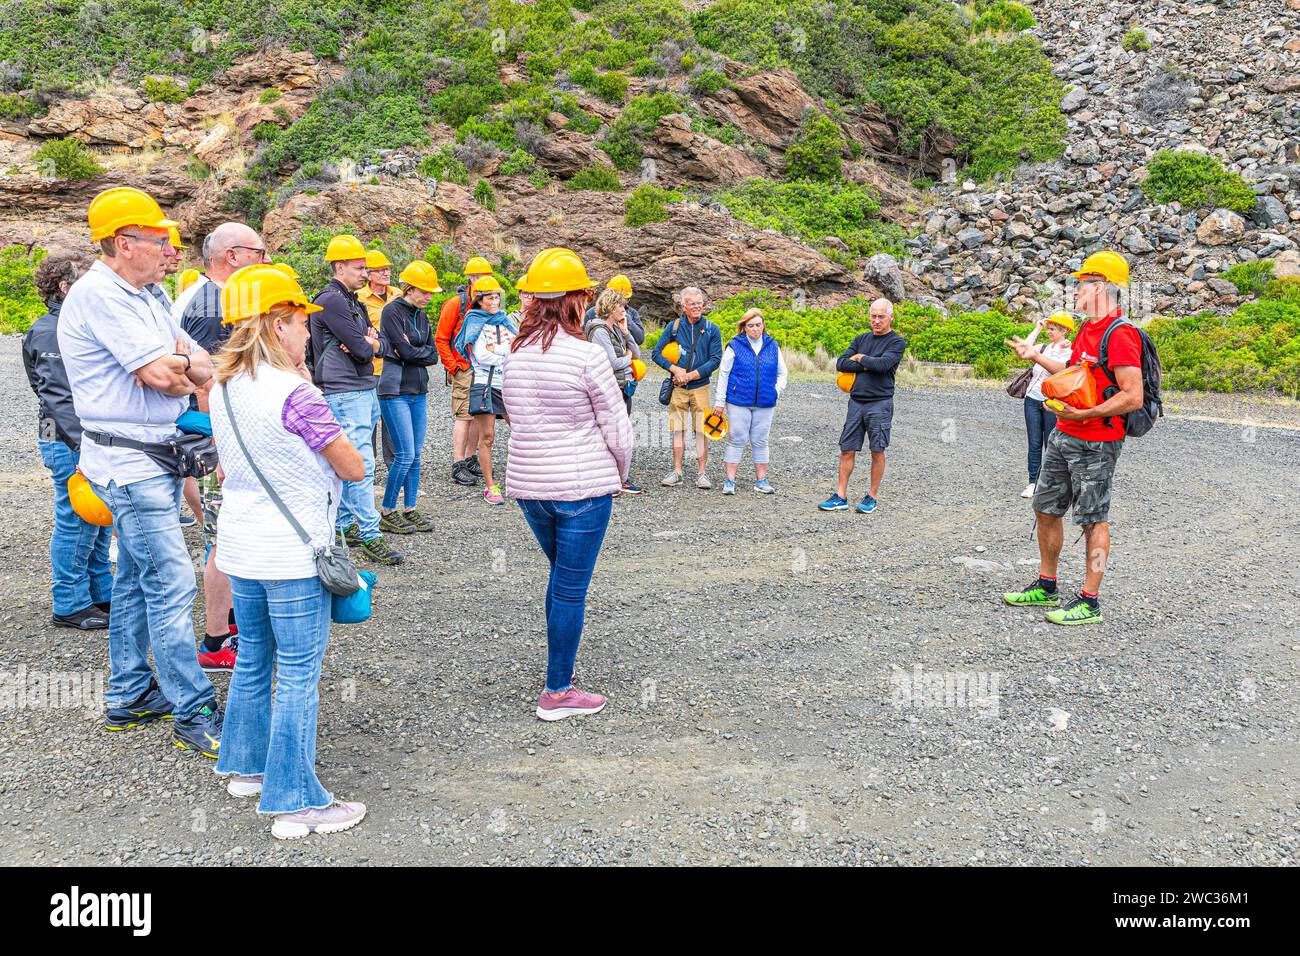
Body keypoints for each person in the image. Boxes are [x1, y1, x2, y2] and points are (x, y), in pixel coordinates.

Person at [58, 186, 222, 754]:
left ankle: (129, 693)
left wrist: (179, 368)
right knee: (170, 581)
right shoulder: (101, 295)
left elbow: (193, 365)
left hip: (145, 455)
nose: (167, 249)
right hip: (128, 463)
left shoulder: (146, 294)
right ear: (125, 244)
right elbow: (163, 376)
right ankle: (192, 707)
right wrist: (177, 369)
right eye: (157, 240)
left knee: (134, 576)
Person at [208, 263, 368, 840]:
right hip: (295, 550)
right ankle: (296, 798)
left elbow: (227, 466)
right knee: (300, 673)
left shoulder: (221, 387)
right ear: (279, 324)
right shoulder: (294, 392)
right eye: (304, 323)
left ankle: (246, 767)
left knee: (253, 657)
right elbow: (351, 465)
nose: (310, 333)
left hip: (243, 545)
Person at [502, 248, 631, 721]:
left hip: (531, 488)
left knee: (561, 579)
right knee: (571, 587)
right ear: (576, 299)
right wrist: (619, 473)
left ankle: (562, 672)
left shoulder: (513, 355)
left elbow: (514, 417)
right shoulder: (587, 356)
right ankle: (557, 690)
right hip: (581, 490)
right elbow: (618, 428)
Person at [1003, 250, 1144, 626]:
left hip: (1097, 440)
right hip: (1064, 433)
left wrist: (1085, 414)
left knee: (1093, 519)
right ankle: (1046, 585)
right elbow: (1072, 372)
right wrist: (1035, 355)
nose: (1076, 291)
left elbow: (1133, 395)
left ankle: (1089, 602)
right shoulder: (1085, 329)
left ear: (1099, 287)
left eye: (1081, 284)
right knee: (1046, 508)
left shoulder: (1121, 334)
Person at [22, 253, 112, 630]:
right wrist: (84, 447)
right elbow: (57, 396)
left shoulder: (72, 326)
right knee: (76, 518)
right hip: (68, 439)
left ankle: (100, 593)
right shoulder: (49, 331)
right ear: (64, 288)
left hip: (80, 437)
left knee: (99, 514)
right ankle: (70, 603)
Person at [309, 234, 402, 566]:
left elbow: (380, 344)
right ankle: (370, 534)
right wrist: (368, 343)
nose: (366, 273)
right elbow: (365, 348)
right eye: (360, 268)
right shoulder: (333, 301)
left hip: (360, 388)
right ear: (340, 267)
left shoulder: (352, 301)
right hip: (345, 390)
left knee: (357, 460)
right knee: (361, 463)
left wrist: (370, 343)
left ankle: (347, 525)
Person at [820, 298, 907, 514]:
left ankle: (872, 497)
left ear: (891, 317)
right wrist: (868, 362)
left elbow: (884, 364)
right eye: (873, 316)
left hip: (880, 403)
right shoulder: (861, 339)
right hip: (856, 403)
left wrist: (861, 360)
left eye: (881, 316)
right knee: (846, 448)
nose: (876, 321)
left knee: (877, 450)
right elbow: (841, 363)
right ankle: (840, 496)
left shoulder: (896, 342)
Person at [377, 260, 442, 534]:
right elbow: (405, 351)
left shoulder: (422, 315)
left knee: (415, 454)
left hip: (419, 389)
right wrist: (414, 351)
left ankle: (410, 508)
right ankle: (388, 510)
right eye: (425, 292)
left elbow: (432, 353)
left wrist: (413, 351)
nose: (429, 297)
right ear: (411, 288)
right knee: (403, 454)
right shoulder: (391, 311)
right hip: (394, 389)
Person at [651, 286, 722, 489]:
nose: (697, 307)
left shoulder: (712, 329)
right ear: (683, 306)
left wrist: (689, 375)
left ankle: (702, 474)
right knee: (678, 430)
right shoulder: (673, 327)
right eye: (693, 304)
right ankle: (677, 471)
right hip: (678, 389)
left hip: (700, 387)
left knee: (701, 430)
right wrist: (675, 370)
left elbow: (715, 360)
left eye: (700, 303)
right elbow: (656, 354)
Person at [453, 276, 516, 505]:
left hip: (506, 384)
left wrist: (497, 349)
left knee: (521, 430)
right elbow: (481, 355)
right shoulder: (474, 321)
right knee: (487, 437)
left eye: (497, 295)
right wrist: (504, 352)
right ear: (479, 300)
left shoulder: (504, 322)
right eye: (489, 296)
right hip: (485, 384)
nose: (495, 300)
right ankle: (491, 486)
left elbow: (515, 348)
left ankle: (523, 478)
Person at [711, 308, 788, 495]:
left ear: (763, 326)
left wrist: (775, 392)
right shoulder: (735, 345)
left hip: (765, 402)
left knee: (761, 440)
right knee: (737, 439)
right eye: (751, 325)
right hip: (738, 401)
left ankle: (761, 480)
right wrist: (720, 402)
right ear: (744, 327)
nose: (755, 329)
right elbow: (724, 374)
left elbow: (782, 373)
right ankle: (730, 481)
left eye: (758, 325)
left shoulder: (772, 345)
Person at [435, 256, 495, 485]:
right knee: (463, 416)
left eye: (488, 277)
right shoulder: (455, 304)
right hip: (465, 368)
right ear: (470, 278)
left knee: (478, 416)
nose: (484, 281)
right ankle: (458, 463)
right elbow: (441, 338)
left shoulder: (489, 304)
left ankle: (471, 459)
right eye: (480, 277)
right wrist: (454, 367)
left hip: (483, 369)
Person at [586, 288, 642, 495]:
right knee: (612, 434)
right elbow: (612, 362)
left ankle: (616, 478)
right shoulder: (599, 331)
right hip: (611, 388)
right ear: (610, 307)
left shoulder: (615, 329)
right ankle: (612, 480)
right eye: (621, 306)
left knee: (619, 433)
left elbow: (637, 351)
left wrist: (626, 332)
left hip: (622, 387)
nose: (624, 310)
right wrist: (628, 358)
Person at [181, 222, 269, 354]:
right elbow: (211, 372)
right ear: (232, 256)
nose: (267, 260)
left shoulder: (219, 299)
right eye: (260, 252)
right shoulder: (215, 311)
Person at [1018, 311, 1075, 499]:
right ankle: (1033, 482)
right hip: (1032, 400)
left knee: (1051, 443)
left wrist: (1055, 351)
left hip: (1053, 403)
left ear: (1065, 330)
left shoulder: (1070, 352)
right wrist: (1037, 328)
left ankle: (1050, 482)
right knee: (1034, 443)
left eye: (1053, 329)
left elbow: (1059, 371)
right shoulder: (1042, 348)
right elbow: (1023, 350)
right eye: (1048, 328)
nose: (1049, 332)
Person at [583, 274, 645, 346]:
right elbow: (583, 340)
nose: (623, 303)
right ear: (609, 296)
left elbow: (640, 339)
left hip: (625, 354)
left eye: (626, 299)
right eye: (618, 300)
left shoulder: (632, 313)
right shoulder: (592, 313)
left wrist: (627, 319)